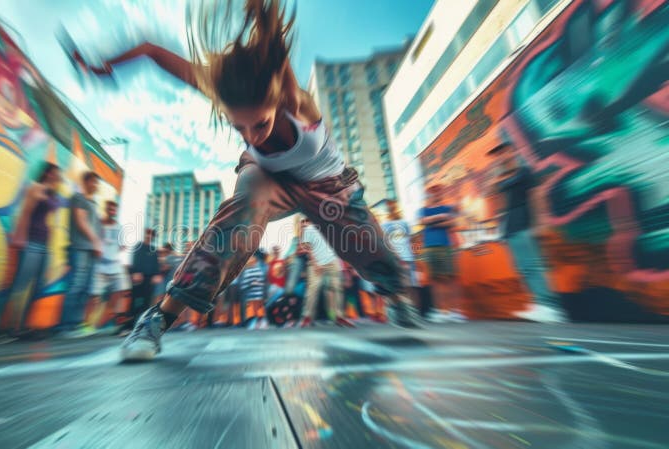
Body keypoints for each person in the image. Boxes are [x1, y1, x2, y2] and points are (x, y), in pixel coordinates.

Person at [70, 0, 417, 360]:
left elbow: (274, 42)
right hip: (267, 175)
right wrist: (107, 64)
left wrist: (259, 11)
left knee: (364, 241)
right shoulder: (220, 90)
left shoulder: (292, 99)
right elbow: (152, 51)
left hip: (325, 183)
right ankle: (157, 319)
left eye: (261, 124)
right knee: (241, 213)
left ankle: (396, 296)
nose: (252, 136)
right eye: (240, 127)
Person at [488, 143, 567, 323]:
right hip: (510, 226)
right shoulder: (501, 178)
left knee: (532, 265)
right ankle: (540, 304)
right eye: (497, 155)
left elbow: (537, 195)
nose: (500, 157)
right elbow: (492, 195)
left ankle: (550, 307)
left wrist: (540, 222)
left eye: (503, 153)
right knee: (523, 267)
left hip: (524, 221)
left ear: (512, 152)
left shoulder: (524, 172)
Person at [5, 162, 62, 339]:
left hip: (44, 243)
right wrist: (19, 237)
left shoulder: (52, 193)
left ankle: (26, 326)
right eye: (54, 173)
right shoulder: (37, 188)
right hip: (31, 241)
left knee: (37, 287)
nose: (57, 176)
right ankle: (12, 328)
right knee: (21, 284)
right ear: (47, 173)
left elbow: (52, 214)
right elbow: (26, 212)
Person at [57, 171, 102, 337]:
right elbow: (80, 221)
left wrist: (97, 244)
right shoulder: (78, 198)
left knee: (85, 288)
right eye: (93, 182)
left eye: (97, 183)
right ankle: (65, 326)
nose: (96, 185)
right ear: (86, 182)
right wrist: (96, 242)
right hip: (81, 247)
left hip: (91, 250)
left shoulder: (93, 203)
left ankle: (75, 325)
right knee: (76, 285)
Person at [419, 184, 465, 323]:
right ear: (428, 195)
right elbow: (423, 221)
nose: (436, 194)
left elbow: (452, 221)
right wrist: (441, 218)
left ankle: (455, 311)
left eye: (438, 191)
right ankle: (441, 311)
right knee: (436, 280)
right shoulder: (424, 210)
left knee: (450, 279)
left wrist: (436, 222)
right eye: (432, 192)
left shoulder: (447, 207)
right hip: (430, 248)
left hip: (446, 246)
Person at [299, 217, 353, 327]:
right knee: (313, 289)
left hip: (332, 260)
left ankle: (339, 317)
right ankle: (307, 317)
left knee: (337, 287)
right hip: (316, 262)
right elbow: (307, 249)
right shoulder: (309, 229)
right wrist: (315, 263)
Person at [88, 201, 132, 330]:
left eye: (114, 210)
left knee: (120, 291)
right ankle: (87, 324)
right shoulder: (98, 225)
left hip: (115, 265)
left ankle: (111, 321)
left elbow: (122, 247)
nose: (112, 212)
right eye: (110, 209)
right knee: (94, 296)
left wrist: (115, 250)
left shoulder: (119, 228)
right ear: (106, 210)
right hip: (99, 266)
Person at [126, 228, 160, 331]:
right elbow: (134, 260)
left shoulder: (154, 249)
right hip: (138, 277)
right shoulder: (138, 246)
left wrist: (156, 274)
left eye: (151, 235)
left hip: (150, 279)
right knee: (135, 301)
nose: (149, 236)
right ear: (144, 235)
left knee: (147, 302)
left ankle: (142, 325)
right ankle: (130, 325)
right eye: (147, 234)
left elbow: (155, 264)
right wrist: (134, 272)